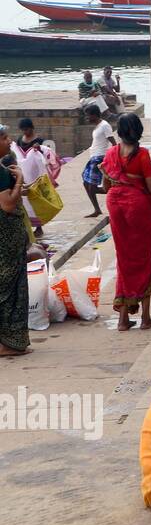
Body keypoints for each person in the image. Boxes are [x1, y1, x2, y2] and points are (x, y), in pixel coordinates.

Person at [101, 113, 151, 331]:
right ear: (138, 131)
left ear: (119, 131)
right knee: (142, 258)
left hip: (115, 204)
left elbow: (106, 186)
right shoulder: (143, 155)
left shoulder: (110, 154)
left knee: (124, 258)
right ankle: (145, 318)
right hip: (137, 207)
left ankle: (123, 319)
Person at [0, 128, 29, 357]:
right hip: (7, 237)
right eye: (4, 138)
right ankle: (9, 342)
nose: (10, 141)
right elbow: (8, 204)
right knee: (10, 287)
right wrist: (19, 179)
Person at [82, 104, 114, 218]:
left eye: (88, 115)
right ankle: (97, 209)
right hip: (93, 158)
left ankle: (113, 191)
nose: (87, 118)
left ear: (95, 115)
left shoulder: (105, 126)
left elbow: (113, 142)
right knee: (86, 183)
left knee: (92, 186)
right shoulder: (97, 126)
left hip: (100, 158)